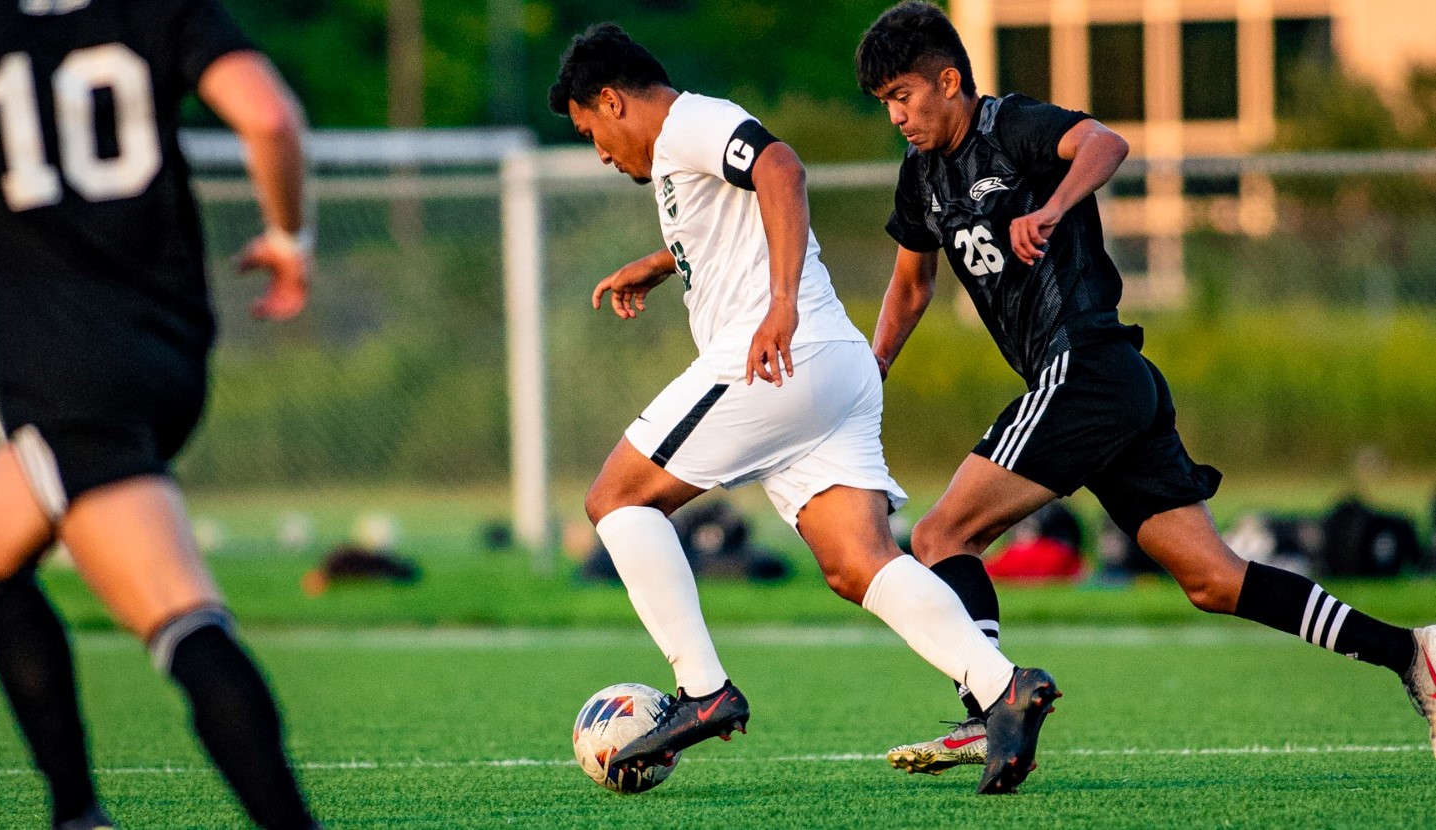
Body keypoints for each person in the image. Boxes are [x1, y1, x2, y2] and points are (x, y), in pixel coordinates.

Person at [854, 0, 1436, 776]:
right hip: (1102, 387)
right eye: (884, 102)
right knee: (1212, 579)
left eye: (902, 95)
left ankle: (989, 707)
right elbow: (910, 285)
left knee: (939, 537)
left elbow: (1104, 141)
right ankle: (1413, 653)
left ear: (947, 80)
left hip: (1085, 368)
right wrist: (872, 370)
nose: (895, 115)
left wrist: (1055, 207)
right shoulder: (919, 174)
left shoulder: (1011, 126)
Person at [549, 22, 1059, 796]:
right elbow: (736, 220)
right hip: (833, 369)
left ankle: (700, 690)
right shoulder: (682, 159)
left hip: (781, 357)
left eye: (592, 131)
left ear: (613, 100)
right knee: (859, 564)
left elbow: (780, 168)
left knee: (615, 499)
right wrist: (663, 265)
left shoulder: (690, 122)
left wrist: (778, 304)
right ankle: (1000, 688)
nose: (600, 153)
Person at [0, 1, 319, 828]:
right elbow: (266, 117)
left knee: (179, 614)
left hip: (64, 370)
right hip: (168, 347)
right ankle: (76, 813)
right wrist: (287, 239)